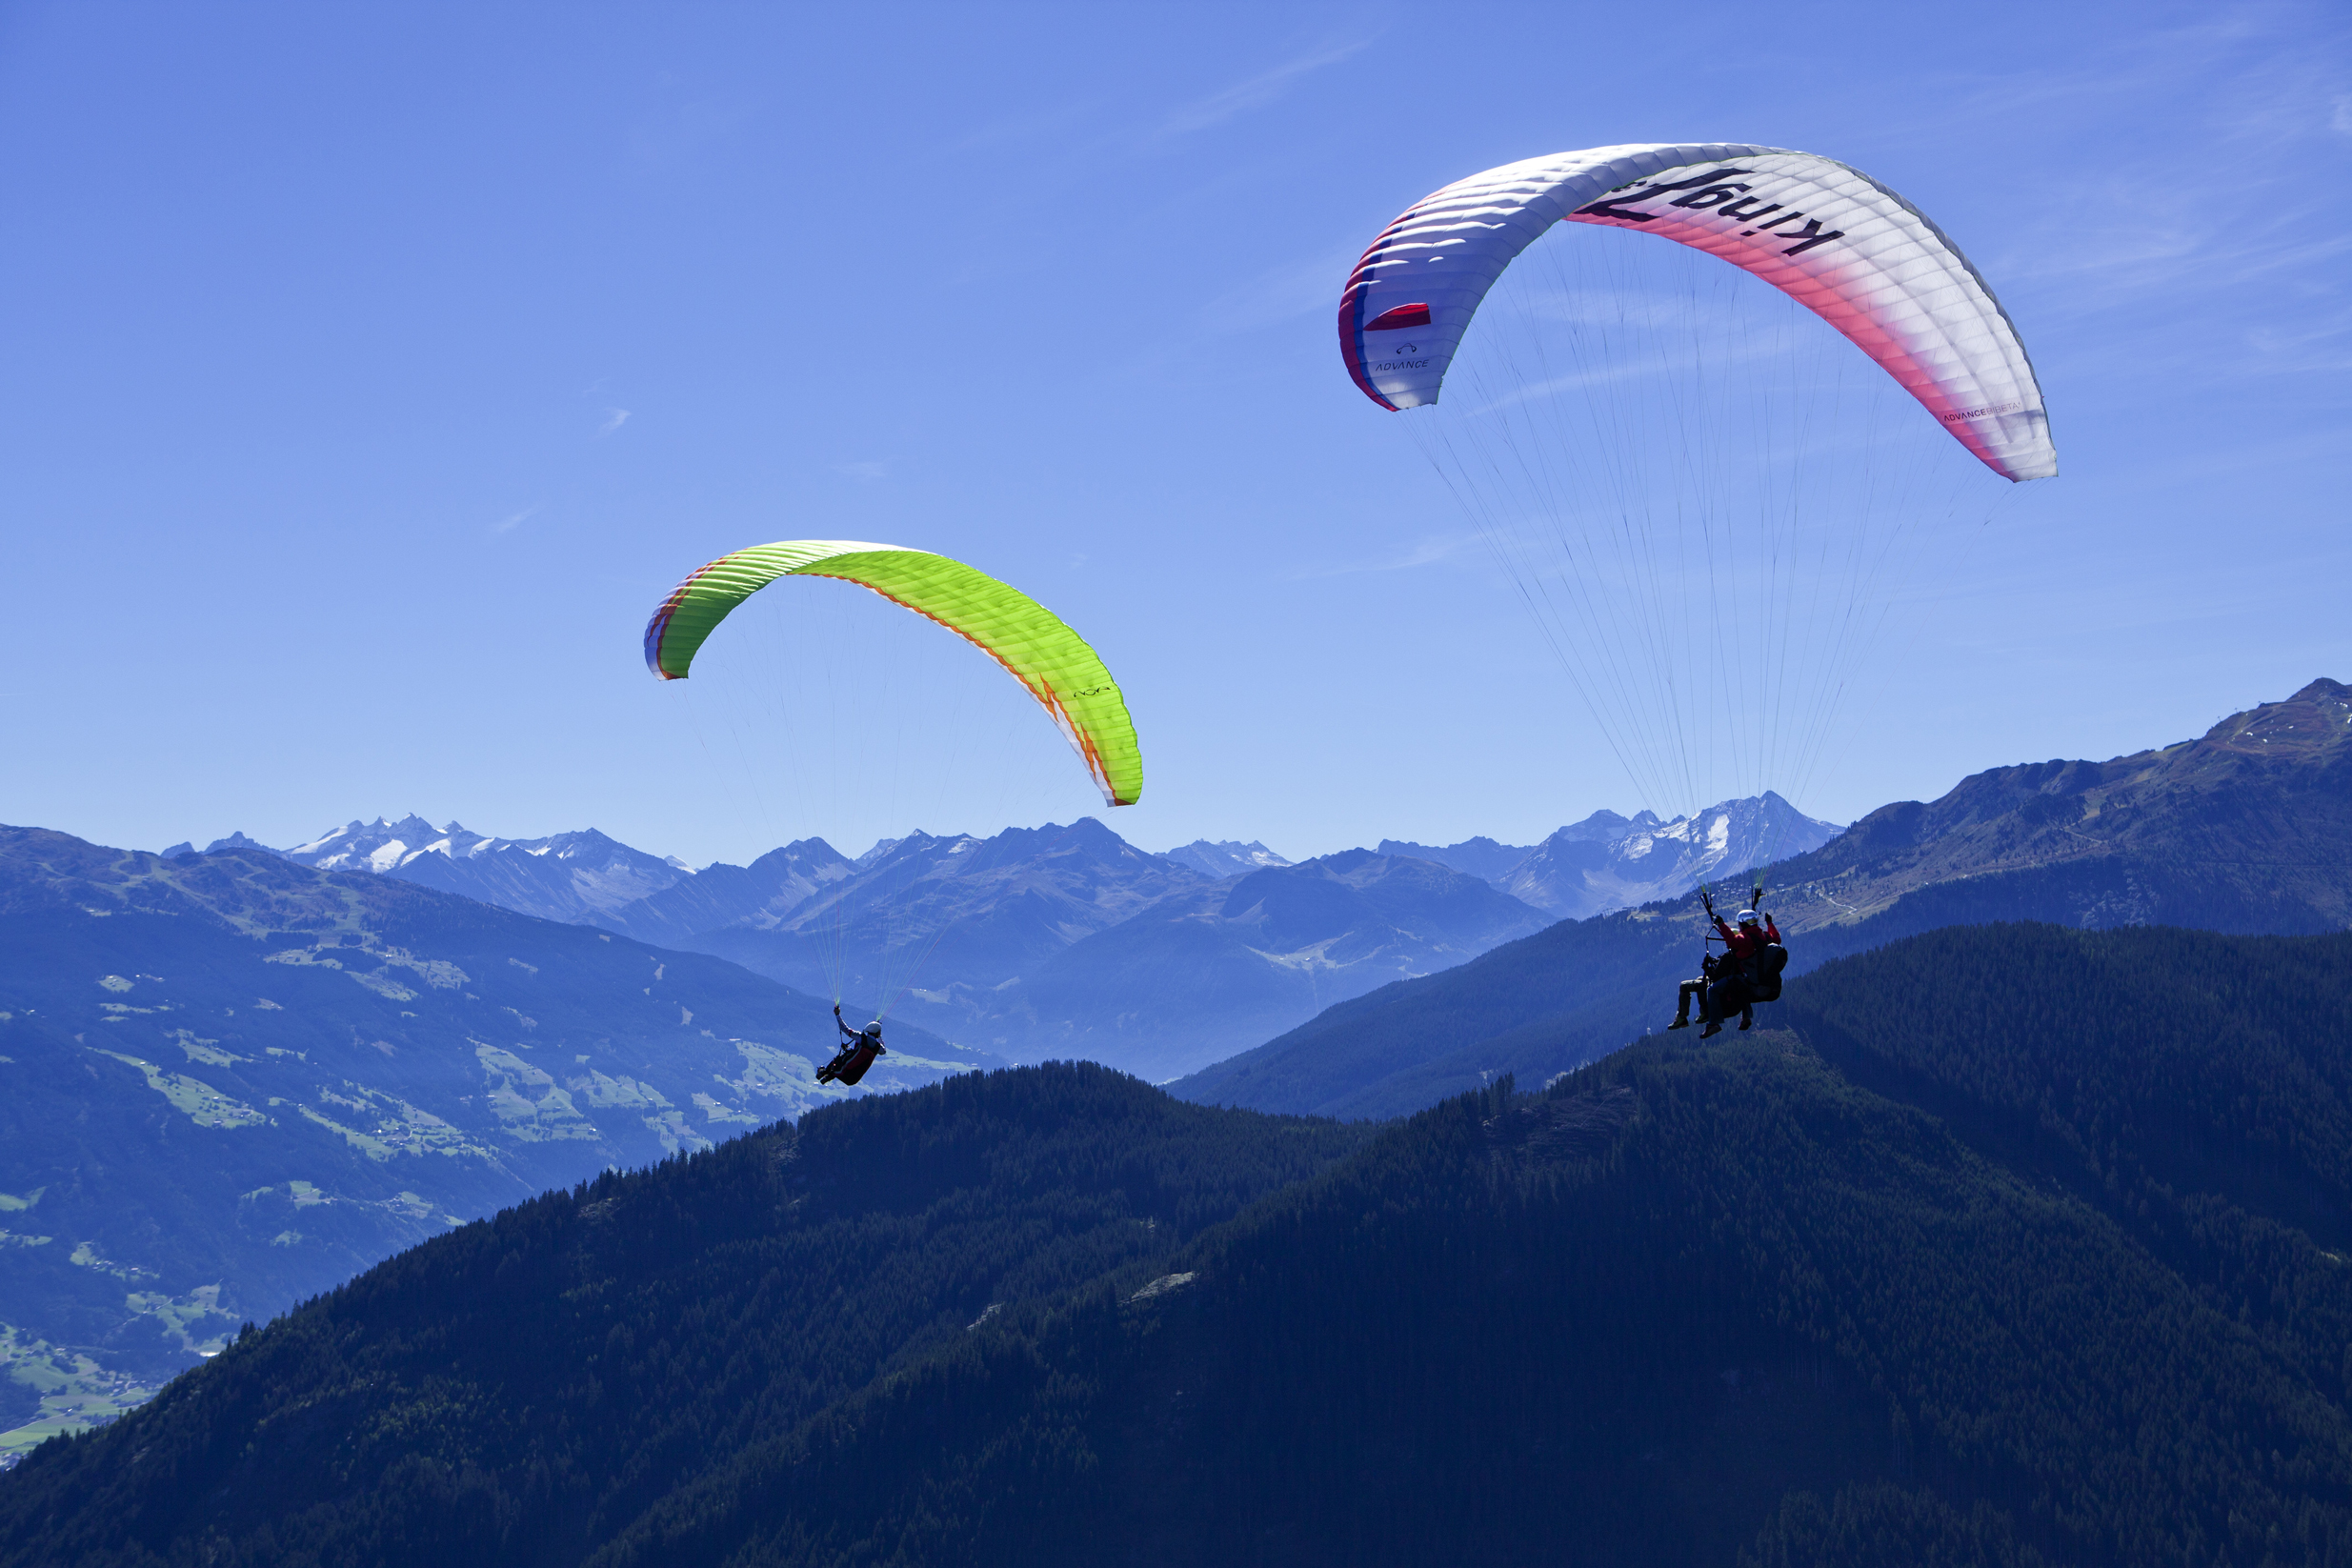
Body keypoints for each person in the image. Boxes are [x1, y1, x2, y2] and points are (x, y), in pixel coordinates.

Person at [1693, 893, 1783, 1039]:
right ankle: (1746, 1017)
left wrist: (1721, 924)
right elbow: (1777, 939)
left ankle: (1714, 1023)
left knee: (1713, 990)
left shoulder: (1745, 939)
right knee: (1742, 985)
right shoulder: (1764, 936)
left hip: (1747, 979)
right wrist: (1770, 923)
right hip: (1758, 980)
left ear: (1742, 924)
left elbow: (1732, 942)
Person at [818, 1004, 889, 1086]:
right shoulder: (878, 1047)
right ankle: (827, 1077)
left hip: (843, 1071)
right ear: (877, 1032)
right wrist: (880, 1037)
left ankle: (824, 1073)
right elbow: (884, 1051)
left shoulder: (861, 1038)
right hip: (853, 1080)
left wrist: (837, 1015)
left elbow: (845, 1029)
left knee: (839, 1059)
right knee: (844, 1059)